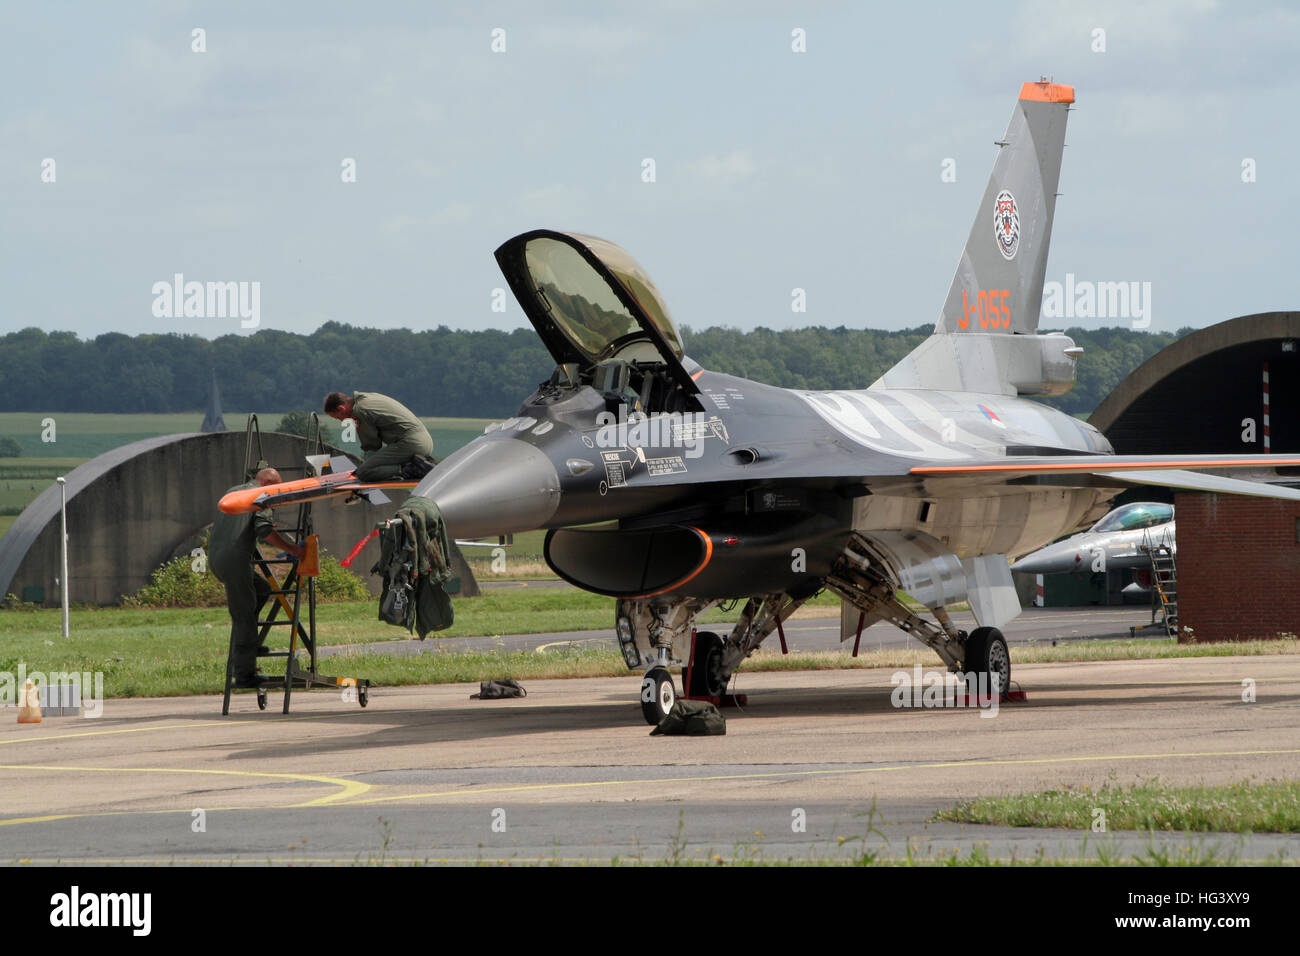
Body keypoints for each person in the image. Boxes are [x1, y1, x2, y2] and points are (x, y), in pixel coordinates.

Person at [210, 467, 305, 687]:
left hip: (217, 557)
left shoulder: (234, 491)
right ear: (267, 484)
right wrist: (293, 549)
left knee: (261, 589)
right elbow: (263, 530)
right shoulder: (261, 495)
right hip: (235, 560)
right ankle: (245, 674)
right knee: (243, 614)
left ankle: (250, 643)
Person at [323, 390, 434, 481]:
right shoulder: (367, 398)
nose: (342, 421)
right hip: (424, 441)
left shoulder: (360, 411)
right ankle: (419, 463)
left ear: (341, 409)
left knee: (364, 473)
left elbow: (372, 445)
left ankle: (410, 469)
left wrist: (366, 465)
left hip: (411, 444)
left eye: (338, 418)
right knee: (370, 467)